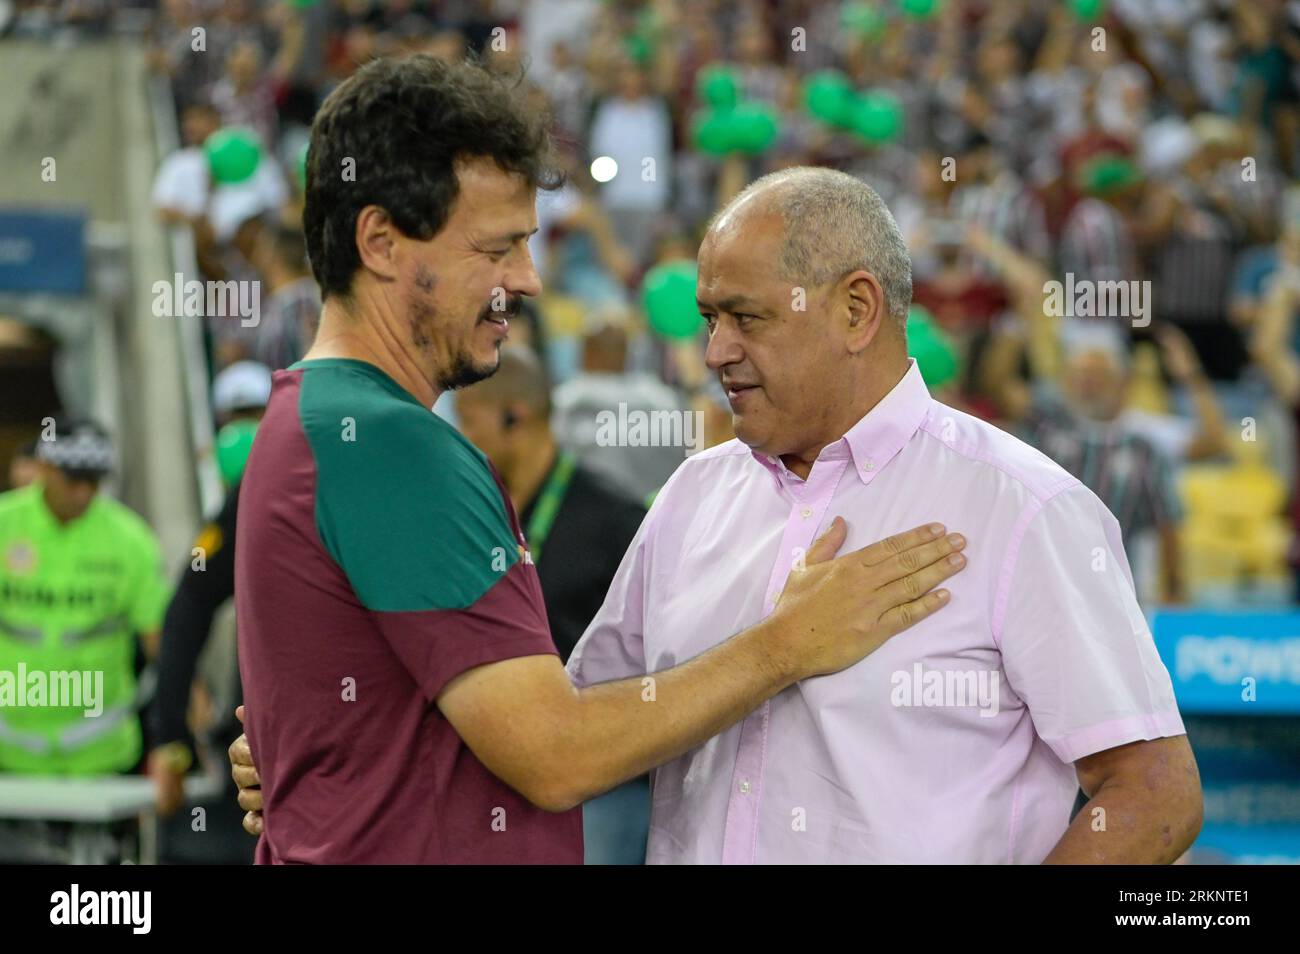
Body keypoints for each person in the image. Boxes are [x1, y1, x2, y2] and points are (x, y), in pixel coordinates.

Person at [231, 55, 964, 865]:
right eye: (497, 248)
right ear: (381, 241)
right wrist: (790, 642)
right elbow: (558, 752)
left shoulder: (306, 419)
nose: (529, 280)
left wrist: (316, 745)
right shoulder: (394, 446)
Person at [456, 345, 650, 864]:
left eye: (469, 422)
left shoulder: (615, 520)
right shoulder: (479, 516)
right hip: (505, 773)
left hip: (603, 782)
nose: (461, 440)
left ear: (514, 417)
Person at [0, 418, 170, 775]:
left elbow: (163, 643)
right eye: (73, 479)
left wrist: (173, 740)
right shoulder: (6, 525)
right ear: (44, 468)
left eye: (93, 482)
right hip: (9, 758)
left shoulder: (131, 541)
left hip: (103, 759)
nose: (84, 493)